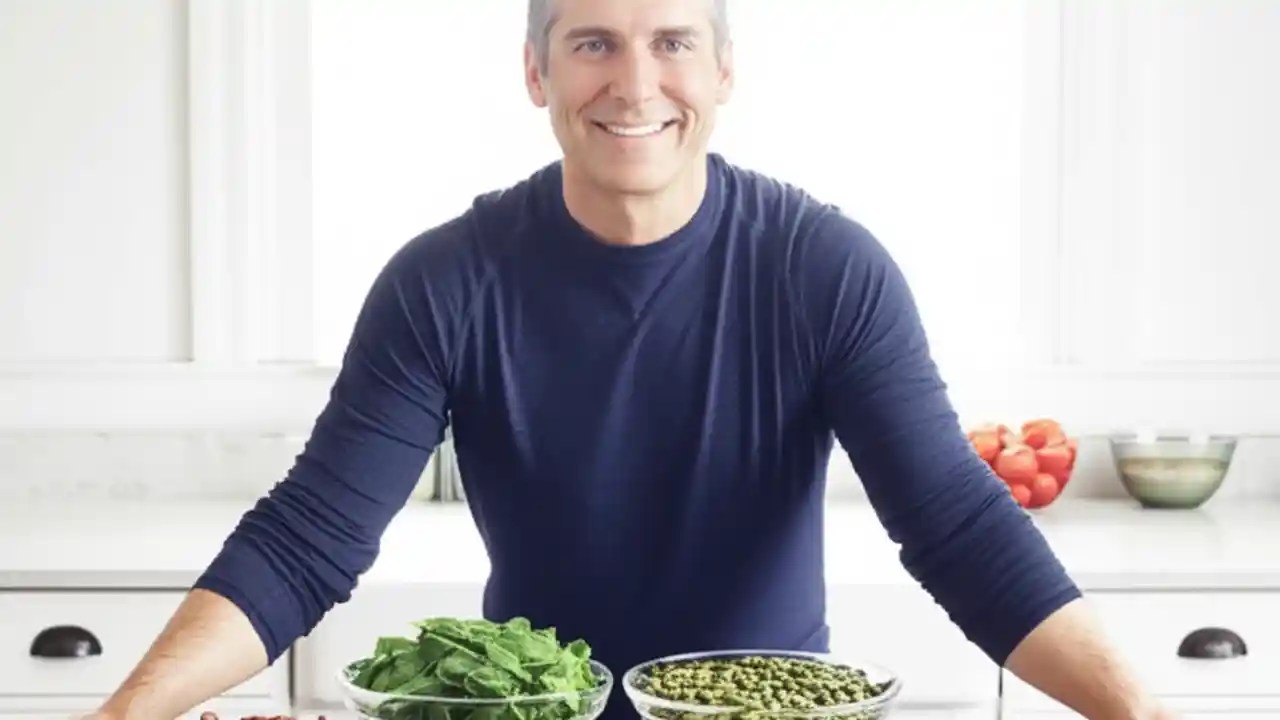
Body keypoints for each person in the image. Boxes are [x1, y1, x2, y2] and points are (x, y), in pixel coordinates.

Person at [88, 1, 1174, 718]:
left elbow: (958, 529)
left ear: (724, 68)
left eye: (673, 42)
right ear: (536, 71)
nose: (636, 83)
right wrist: (125, 713)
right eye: (594, 43)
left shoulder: (824, 269)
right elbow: (306, 541)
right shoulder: (444, 282)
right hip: (536, 712)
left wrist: (1141, 713)